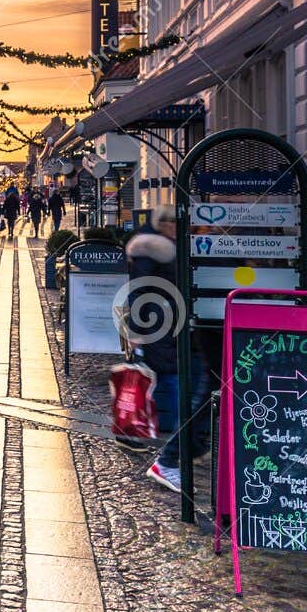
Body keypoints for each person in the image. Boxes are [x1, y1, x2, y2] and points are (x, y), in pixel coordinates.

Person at [124, 207, 189, 492]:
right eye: (172, 222)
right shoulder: (151, 248)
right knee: (172, 378)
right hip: (158, 323)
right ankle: (178, 441)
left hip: (168, 321)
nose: (176, 226)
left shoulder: (166, 245)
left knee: (162, 378)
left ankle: (151, 429)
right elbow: (140, 288)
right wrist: (137, 329)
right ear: (162, 223)